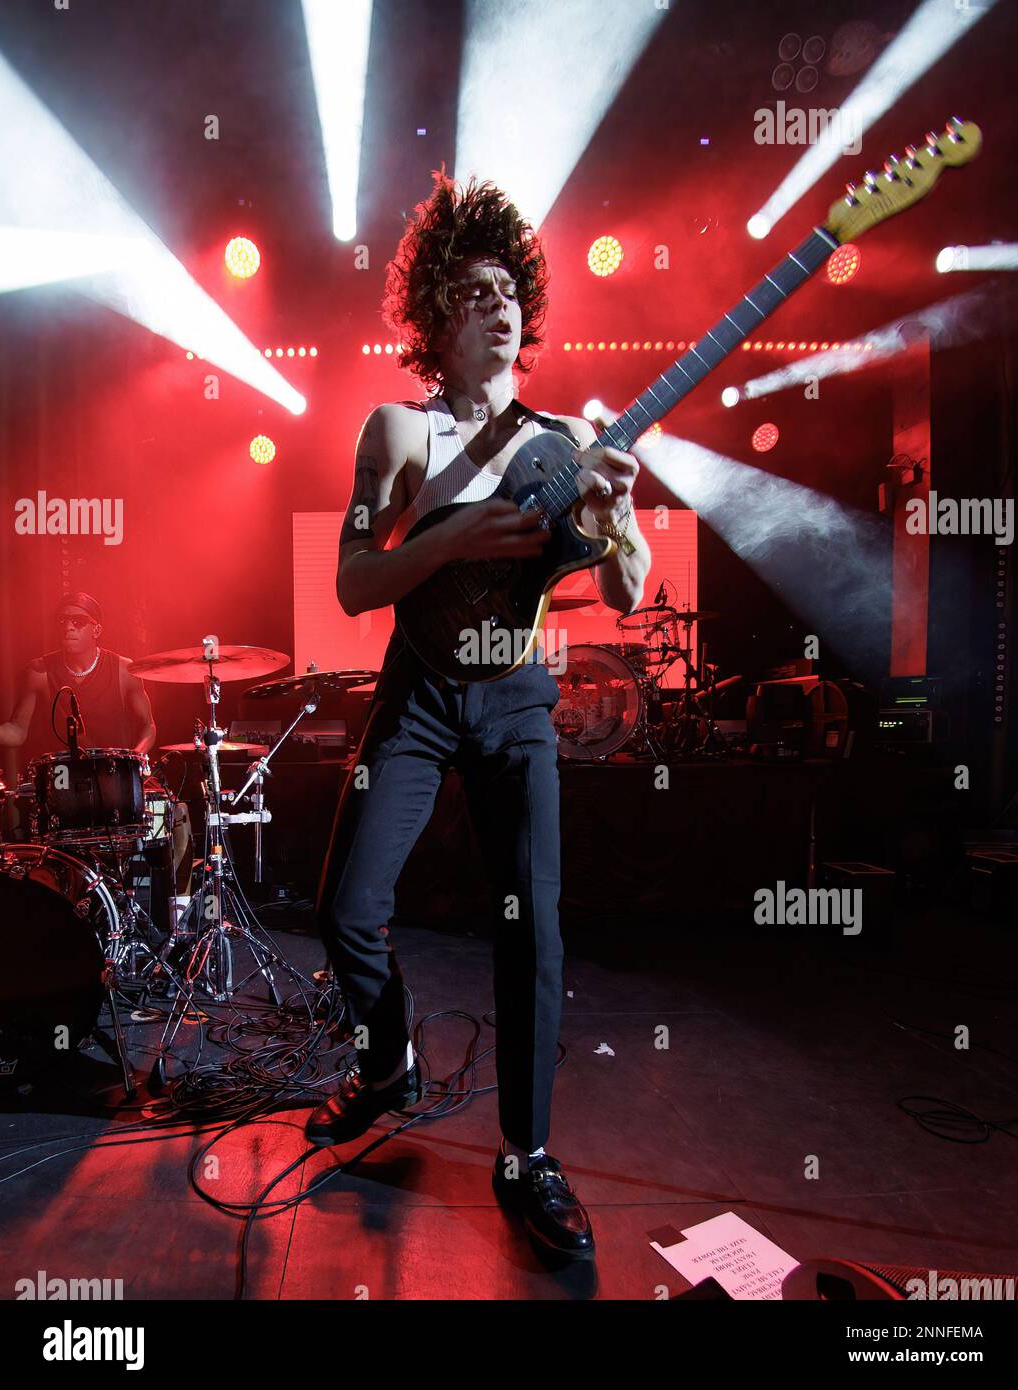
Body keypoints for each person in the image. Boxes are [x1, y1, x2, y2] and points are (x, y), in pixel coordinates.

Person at [308, 170, 651, 1262]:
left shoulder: (563, 442)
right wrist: (450, 538)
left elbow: (629, 590)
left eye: (509, 289)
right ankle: (384, 1062)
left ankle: (527, 1155)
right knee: (347, 908)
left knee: (529, 931)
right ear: (431, 322)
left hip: (512, 701)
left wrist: (623, 509)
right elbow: (356, 582)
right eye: (471, 291)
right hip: (414, 696)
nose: (498, 306)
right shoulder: (396, 433)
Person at [0, 592, 156, 757]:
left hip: (114, 774)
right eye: (62, 621)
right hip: (62, 776)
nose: (68, 627)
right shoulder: (39, 672)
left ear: (97, 631)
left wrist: (134, 758)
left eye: (78, 622)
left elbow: (147, 725)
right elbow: (18, 730)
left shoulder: (124, 670)